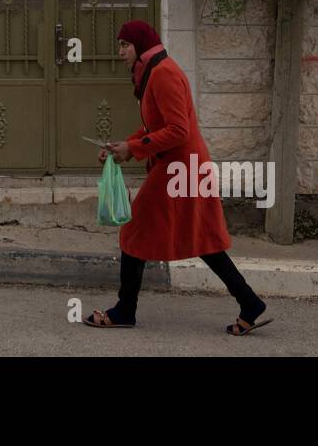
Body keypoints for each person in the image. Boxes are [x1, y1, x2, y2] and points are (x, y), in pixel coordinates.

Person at [85, 19, 273, 335]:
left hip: (179, 166)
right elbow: (154, 128)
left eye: (125, 45)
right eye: (119, 45)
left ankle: (124, 311)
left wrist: (133, 147)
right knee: (203, 238)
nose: (120, 53)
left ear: (141, 47)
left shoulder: (163, 74)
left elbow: (177, 130)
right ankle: (250, 302)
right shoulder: (154, 73)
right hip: (182, 165)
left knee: (135, 229)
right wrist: (125, 146)